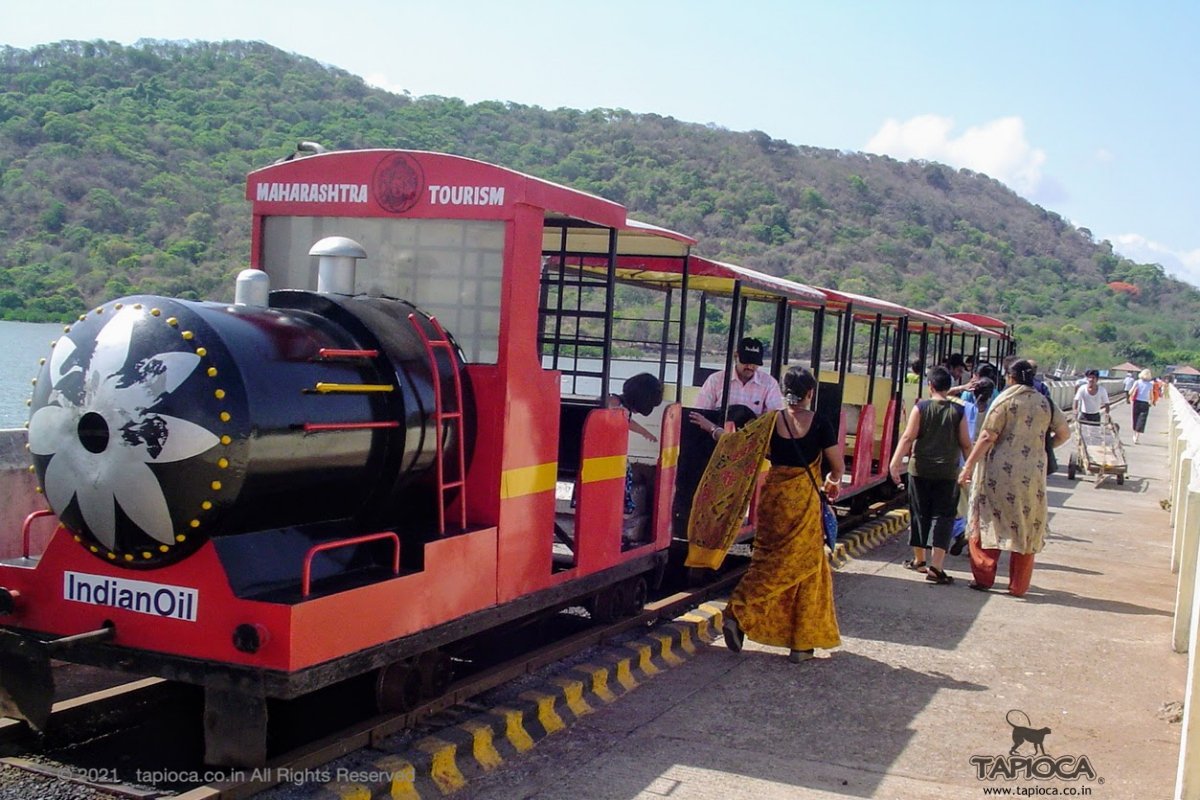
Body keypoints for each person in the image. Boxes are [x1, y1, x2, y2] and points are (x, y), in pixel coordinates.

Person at [707, 366, 844, 663]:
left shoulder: (770, 421)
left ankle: (740, 615)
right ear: (810, 393)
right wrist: (832, 483)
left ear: (783, 392)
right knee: (806, 568)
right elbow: (837, 465)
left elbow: (739, 447)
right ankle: (800, 644)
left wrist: (712, 429)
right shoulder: (820, 423)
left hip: (773, 501)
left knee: (768, 561)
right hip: (803, 502)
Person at [956, 359, 1069, 596]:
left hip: (998, 474)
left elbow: (987, 436)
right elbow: (1063, 433)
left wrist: (968, 466)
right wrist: (1039, 449)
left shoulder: (1005, 400)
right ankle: (1018, 586)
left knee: (986, 521)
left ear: (1010, 377)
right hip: (1032, 476)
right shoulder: (1045, 402)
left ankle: (984, 577)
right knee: (1026, 527)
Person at [888, 366, 972, 584]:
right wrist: (970, 469)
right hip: (947, 473)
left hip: (920, 470)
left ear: (930, 385)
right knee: (945, 517)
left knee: (919, 513)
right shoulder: (958, 411)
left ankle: (919, 560)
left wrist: (895, 463)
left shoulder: (921, 408)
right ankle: (937, 567)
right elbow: (965, 444)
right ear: (948, 387)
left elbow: (907, 438)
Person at [690, 337, 784, 426]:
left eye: (754, 363)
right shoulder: (715, 380)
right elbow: (700, 413)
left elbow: (776, 416)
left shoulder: (769, 384)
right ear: (736, 356)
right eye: (746, 362)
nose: (750, 367)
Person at [606, 373, 663, 514]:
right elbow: (610, 411)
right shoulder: (614, 402)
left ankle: (622, 505)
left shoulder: (624, 408)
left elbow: (628, 422)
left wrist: (644, 432)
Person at [1130, 368, 1156, 444]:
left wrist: (1131, 396)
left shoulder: (1137, 382)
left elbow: (1130, 392)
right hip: (1145, 403)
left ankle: (1135, 434)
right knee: (1142, 419)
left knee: (1135, 417)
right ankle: (1137, 436)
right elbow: (1151, 395)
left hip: (1137, 402)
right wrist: (1151, 402)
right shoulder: (1150, 384)